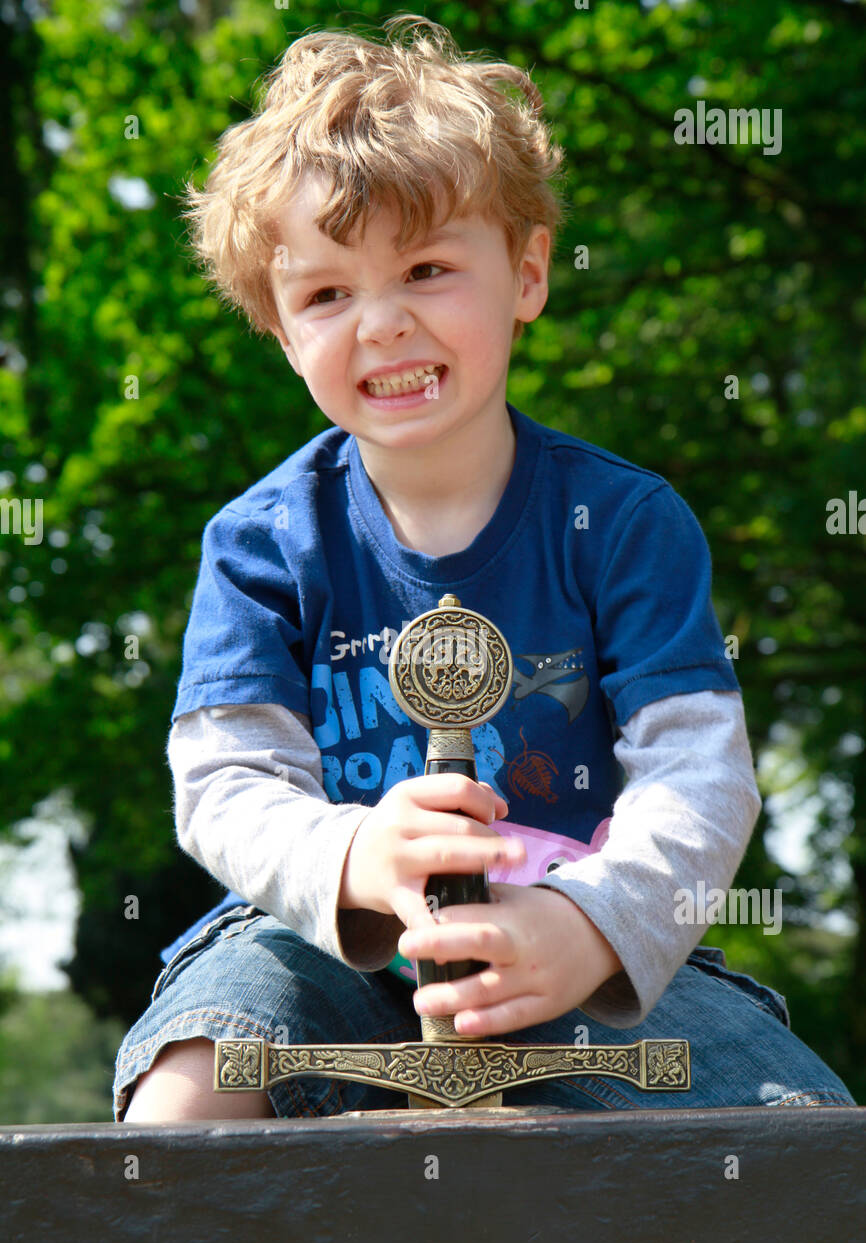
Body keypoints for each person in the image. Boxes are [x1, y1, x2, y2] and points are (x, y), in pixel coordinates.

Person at [116, 15, 855, 1122]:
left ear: (525, 274)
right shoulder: (261, 541)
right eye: (325, 294)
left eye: (425, 268)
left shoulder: (624, 521)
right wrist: (357, 852)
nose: (381, 323)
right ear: (277, 327)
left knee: (791, 1140)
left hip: (567, 927)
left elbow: (698, 775)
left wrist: (589, 922)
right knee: (189, 1090)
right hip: (324, 938)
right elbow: (227, 782)